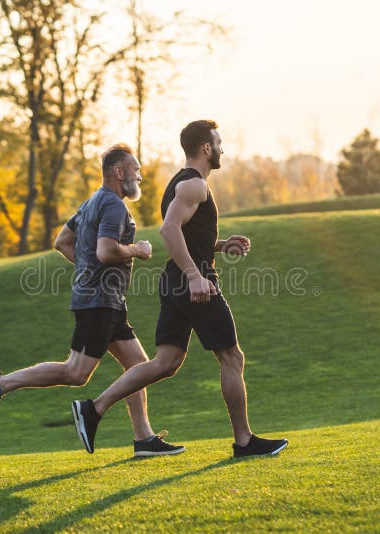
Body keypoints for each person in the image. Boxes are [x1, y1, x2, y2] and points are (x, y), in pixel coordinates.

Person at [72, 121, 288, 458]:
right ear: (206, 148)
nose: (222, 148)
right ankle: (244, 441)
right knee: (232, 357)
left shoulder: (179, 183)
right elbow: (169, 230)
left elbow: (186, 235)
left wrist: (220, 245)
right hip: (193, 283)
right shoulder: (195, 185)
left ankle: (94, 409)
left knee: (166, 362)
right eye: (218, 142)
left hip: (176, 281)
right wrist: (194, 276)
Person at [0, 144, 185, 458]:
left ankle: (144, 438)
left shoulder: (90, 203)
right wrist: (137, 250)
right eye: (135, 170)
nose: (139, 176)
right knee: (76, 372)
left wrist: (88, 270)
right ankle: (0, 384)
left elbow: (62, 242)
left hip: (107, 301)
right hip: (99, 302)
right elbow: (106, 251)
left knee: (138, 368)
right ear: (119, 172)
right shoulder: (113, 205)